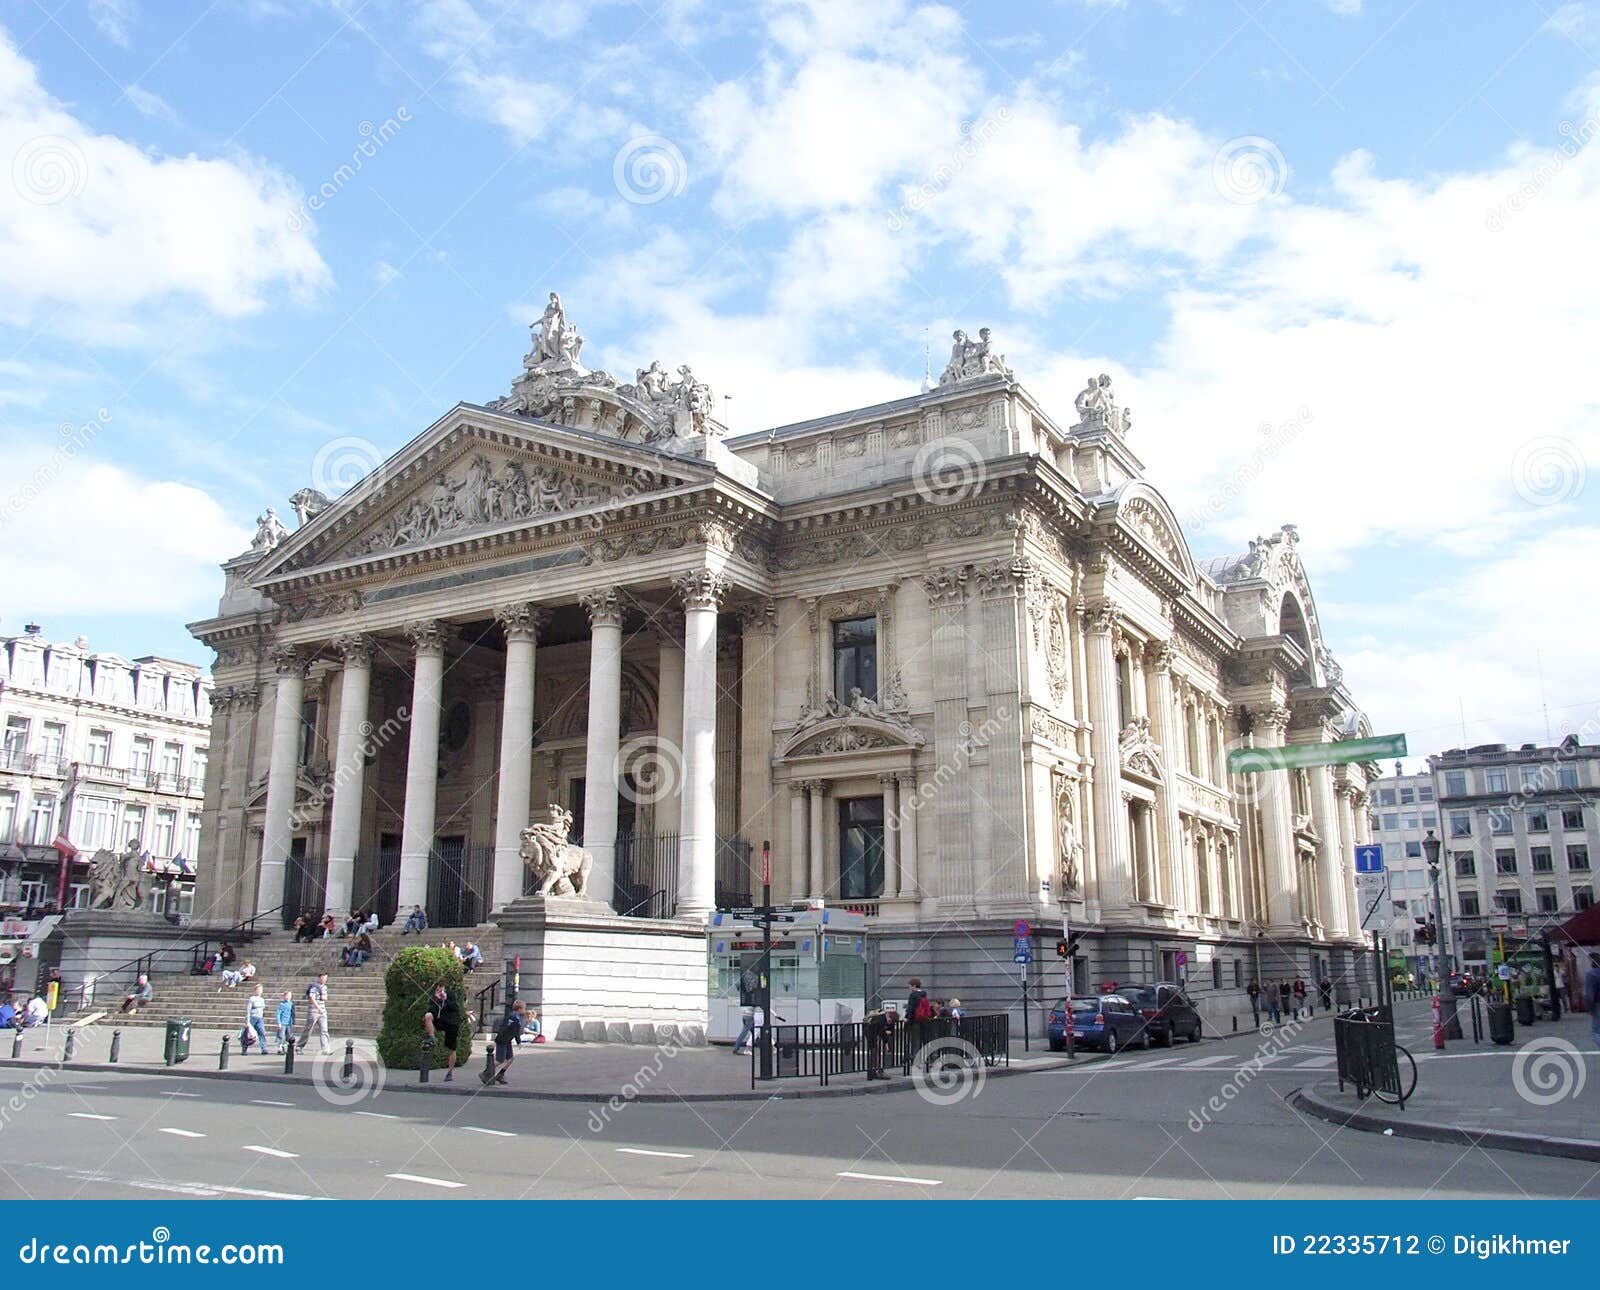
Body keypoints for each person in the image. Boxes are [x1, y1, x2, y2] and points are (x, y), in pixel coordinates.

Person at [482, 1001, 529, 1086]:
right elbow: (512, 1031)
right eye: (524, 1008)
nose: (524, 1010)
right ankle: (486, 1072)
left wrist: (517, 1041)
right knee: (500, 1060)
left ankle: (500, 1074)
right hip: (503, 1040)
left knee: (510, 1058)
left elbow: (514, 1031)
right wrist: (518, 1042)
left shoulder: (515, 1016)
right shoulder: (514, 1017)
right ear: (519, 1009)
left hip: (507, 1040)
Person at [423, 982, 463, 1082]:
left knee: (452, 1048)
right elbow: (431, 1010)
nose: (439, 991)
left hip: (451, 1023)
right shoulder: (434, 997)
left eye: (441, 988)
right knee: (428, 1016)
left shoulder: (450, 994)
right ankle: (432, 1037)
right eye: (437, 989)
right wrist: (437, 999)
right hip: (439, 1021)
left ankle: (450, 1072)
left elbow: (455, 1007)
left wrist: (445, 999)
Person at [298, 973, 331, 1055]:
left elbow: (325, 997)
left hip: (323, 1011)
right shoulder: (314, 987)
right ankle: (299, 1046)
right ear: (319, 978)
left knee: (324, 1030)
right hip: (313, 1011)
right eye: (323, 978)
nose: (325, 980)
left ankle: (325, 1049)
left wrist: (324, 998)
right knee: (308, 1029)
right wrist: (318, 1008)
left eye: (326, 978)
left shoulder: (325, 987)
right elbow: (312, 998)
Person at [245, 985, 270, 1054]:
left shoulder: (262, 999)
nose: (259, 991)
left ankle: (264, 1048)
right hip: (252, 1018)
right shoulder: (252, 999)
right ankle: (245, 1048)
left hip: (259, 1018)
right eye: (258, 990)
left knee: (262, 1032)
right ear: (255, 990)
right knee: (248, 1034)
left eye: (260, 990)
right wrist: (247, 1021)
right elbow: (248, 1010)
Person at [1586, 954, 1600, 1052]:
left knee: (1596, 1031)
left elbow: (1590, 993)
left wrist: (1590, 1009)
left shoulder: (1591, 974)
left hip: (1597, 1004)